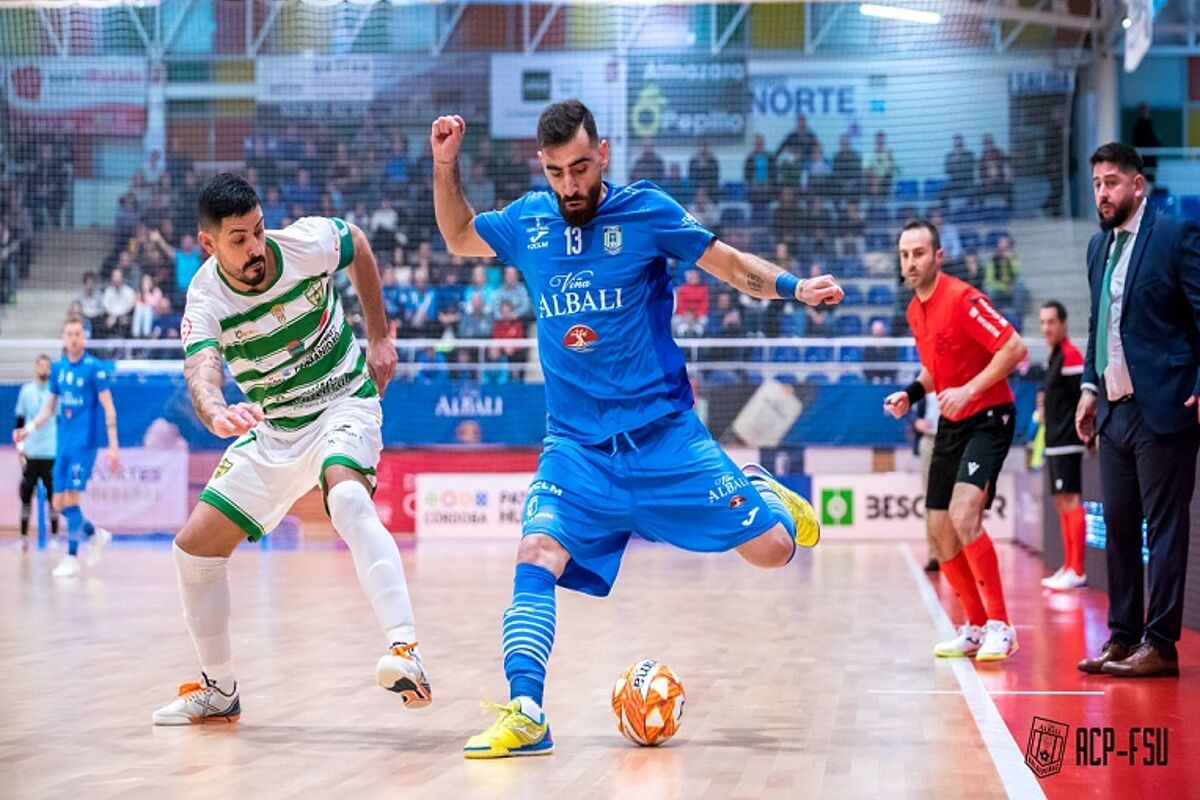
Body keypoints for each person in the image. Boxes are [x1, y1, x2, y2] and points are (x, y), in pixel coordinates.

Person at [431, 100, 843, 758]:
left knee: (773, 551)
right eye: (556, 172)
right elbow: (457, 236)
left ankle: (760, 490)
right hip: (576, 449)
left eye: (580, 168)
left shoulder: (646, 210)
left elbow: (728, 264)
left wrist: (794, 287)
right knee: (535, 554)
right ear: (542, 167)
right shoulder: (528, 221)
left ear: (603, 154)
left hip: (665, 437)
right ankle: (528, 711)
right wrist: (445, 165)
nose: (570, 185)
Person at [153, 173, 430, 725]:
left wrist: (378, 336)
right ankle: (219, 690)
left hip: (344, 402)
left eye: (258, 230)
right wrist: (215, 411)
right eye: (239, 239)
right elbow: (202, 371)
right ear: (208, 244)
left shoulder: (304, 243)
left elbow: (357, 244)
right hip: (276, 428)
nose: (256, 247)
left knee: (346, 499)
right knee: (194, 550)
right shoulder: (204, 297)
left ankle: (406, 650)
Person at [1075, 143, 1200, 679]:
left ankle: (1161, 644)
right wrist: (1088, 387)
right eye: (1097, 184)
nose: (1102, 193)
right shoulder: (1097, 248)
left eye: (1111, 182)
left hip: (1165, 405)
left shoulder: (1173, 236)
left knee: (1164, 528)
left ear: (1137, 185)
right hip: (1114, 410)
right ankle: (1123, 637)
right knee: (1120, 525)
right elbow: (1098, 325)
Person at [884, 219, 1026, 662]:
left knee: (965, 514)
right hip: (952, 420)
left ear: (938, 256)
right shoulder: (915, 310)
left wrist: (970, 390)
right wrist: (911, 393)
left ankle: (1002, 627)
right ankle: (975, 627)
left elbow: (1014, 348)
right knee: (939, 531)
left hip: (989, 416)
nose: (911, 262)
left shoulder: (963, 299)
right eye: (905, 255)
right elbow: (936, 368)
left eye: (919, 253)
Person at [13, 317, 117, 577]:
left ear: (84, 338)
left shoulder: (94, 368)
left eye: (78, 334)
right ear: (63, 338)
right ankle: (95, 534)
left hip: (85, 445)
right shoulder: (58, 369)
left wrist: (113, 446)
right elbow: (48, 409)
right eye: (69, 334)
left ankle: (71, 557)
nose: (73, 338)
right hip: (64, 445)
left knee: (72, 497)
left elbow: (109, 407)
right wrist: (28, 429)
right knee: (58, 502)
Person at [1037, 300, 1088, 592]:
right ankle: (1068, 565)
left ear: (1063, 324)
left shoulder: (1070, 355)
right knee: (1061, 501)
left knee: (1071, 499)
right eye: (1042, 322)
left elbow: (1082, 399)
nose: (1046, 328)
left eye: (1051, 322)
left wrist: (1087, 436)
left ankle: (1077, 570)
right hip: (1054, 441)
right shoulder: (1055, 356)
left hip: (1068, 441)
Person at [12, 355, 60, 550]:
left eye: (47, 366)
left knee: (53, 495)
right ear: (35, 367)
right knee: (26, 494)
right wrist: (20, 449)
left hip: (50, 450)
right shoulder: (27, 391)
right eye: (40, 366)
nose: (43, 369)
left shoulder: (55, 392)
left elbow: (59, 419)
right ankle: (23, 537)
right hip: (31, 452)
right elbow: (19, 422)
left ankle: (54, 537)